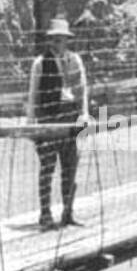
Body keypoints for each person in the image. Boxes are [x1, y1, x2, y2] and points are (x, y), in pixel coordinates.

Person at [25, 16, 89, 229]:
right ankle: (45, 215)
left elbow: (82, 90)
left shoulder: (75, 61)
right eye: (54, 39)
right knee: (47, 167)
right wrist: (32, 124)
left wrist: (84, 114)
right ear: (49, 40)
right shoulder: (40, 64)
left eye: (61, 39)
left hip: (70, 118)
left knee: (70, 167)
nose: (57, 43)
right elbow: (33, 95)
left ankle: (68, 213)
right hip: (47, 118)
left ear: (67, 40)